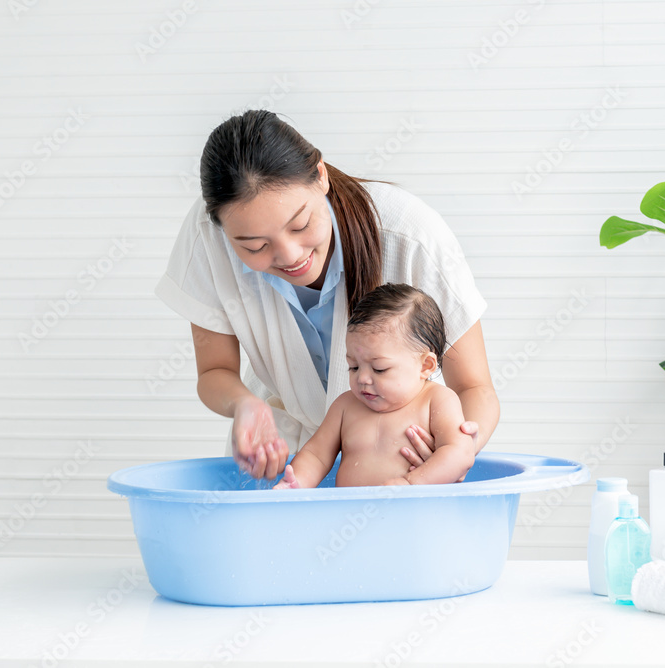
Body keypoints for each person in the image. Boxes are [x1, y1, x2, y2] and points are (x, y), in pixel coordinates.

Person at [155, 109, 499, 479]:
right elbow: (214, 371)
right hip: (285, 455)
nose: (290, 256)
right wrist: (245, 405)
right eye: (255, 246)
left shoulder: (410, 234)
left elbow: (475, 387)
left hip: (404, 458)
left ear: (320, 176)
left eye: (301, 224)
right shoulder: (207, 239)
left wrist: (450, 454)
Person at [274, 283, 472, 488]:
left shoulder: (437, 401)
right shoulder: (345, 406)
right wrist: (297, 481)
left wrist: (411, 483)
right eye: (354, 367)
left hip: (413, 513)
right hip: (348, 515)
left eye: (379, 369)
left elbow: (459, 452)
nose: (362, 379)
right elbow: (316, 455)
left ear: (425, 365)